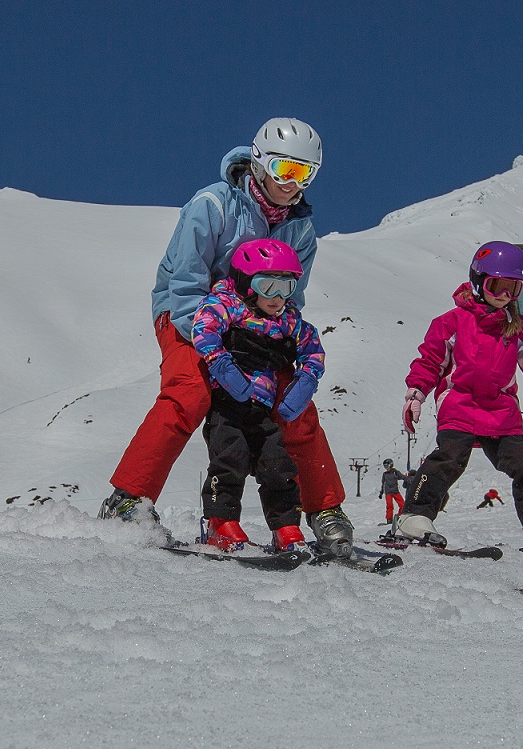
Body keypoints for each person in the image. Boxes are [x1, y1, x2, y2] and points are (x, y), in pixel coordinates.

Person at [99, 119, 356, 557]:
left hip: (256, 327)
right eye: (283, 169)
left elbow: (291, 298)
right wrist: (218, 348)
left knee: (290, 401)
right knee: (191, 391)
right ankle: (127, 498)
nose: (290, 184)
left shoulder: (301, 231)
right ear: (258, 162)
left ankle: (325, 511)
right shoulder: (213, 206)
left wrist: (279, 345)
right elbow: (185, 285)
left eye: (303, 174)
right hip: (189, 317)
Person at [394, 242, 523, 555]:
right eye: (497, 285)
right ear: (479, 281)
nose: (504, 294)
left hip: (501, 412)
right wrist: (417, 394)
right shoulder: (451, 322)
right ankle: (413, 516)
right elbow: (430, 361)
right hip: (460, 405)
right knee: (449, 460)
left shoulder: (519, 330)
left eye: (513, 288)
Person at [184, 238, 326, 552]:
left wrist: (304, 383)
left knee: (279, 466)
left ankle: (286, 528)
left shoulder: (289, 321)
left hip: (261, 410)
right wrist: (220, 362)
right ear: (247, 284)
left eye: (285, 288)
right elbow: (203, 328)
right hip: (227, 406)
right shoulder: (228, 304)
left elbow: (313, 349)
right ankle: (220, 523)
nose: (277, 298)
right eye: (267, 286)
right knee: (229, 460)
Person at [380, 460, 406, 525]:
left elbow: (403, 477)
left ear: (391, 465)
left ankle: (400, 517)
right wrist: (381, 492)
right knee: (389, 506)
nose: (386, 468)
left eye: (386, 466)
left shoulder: (395, 472)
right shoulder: (385, 474)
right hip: (388, 492)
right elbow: (383, 483)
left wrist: (409, 478)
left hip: (395, 491)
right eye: (384, 466)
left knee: (402, 504)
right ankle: (389, 519)